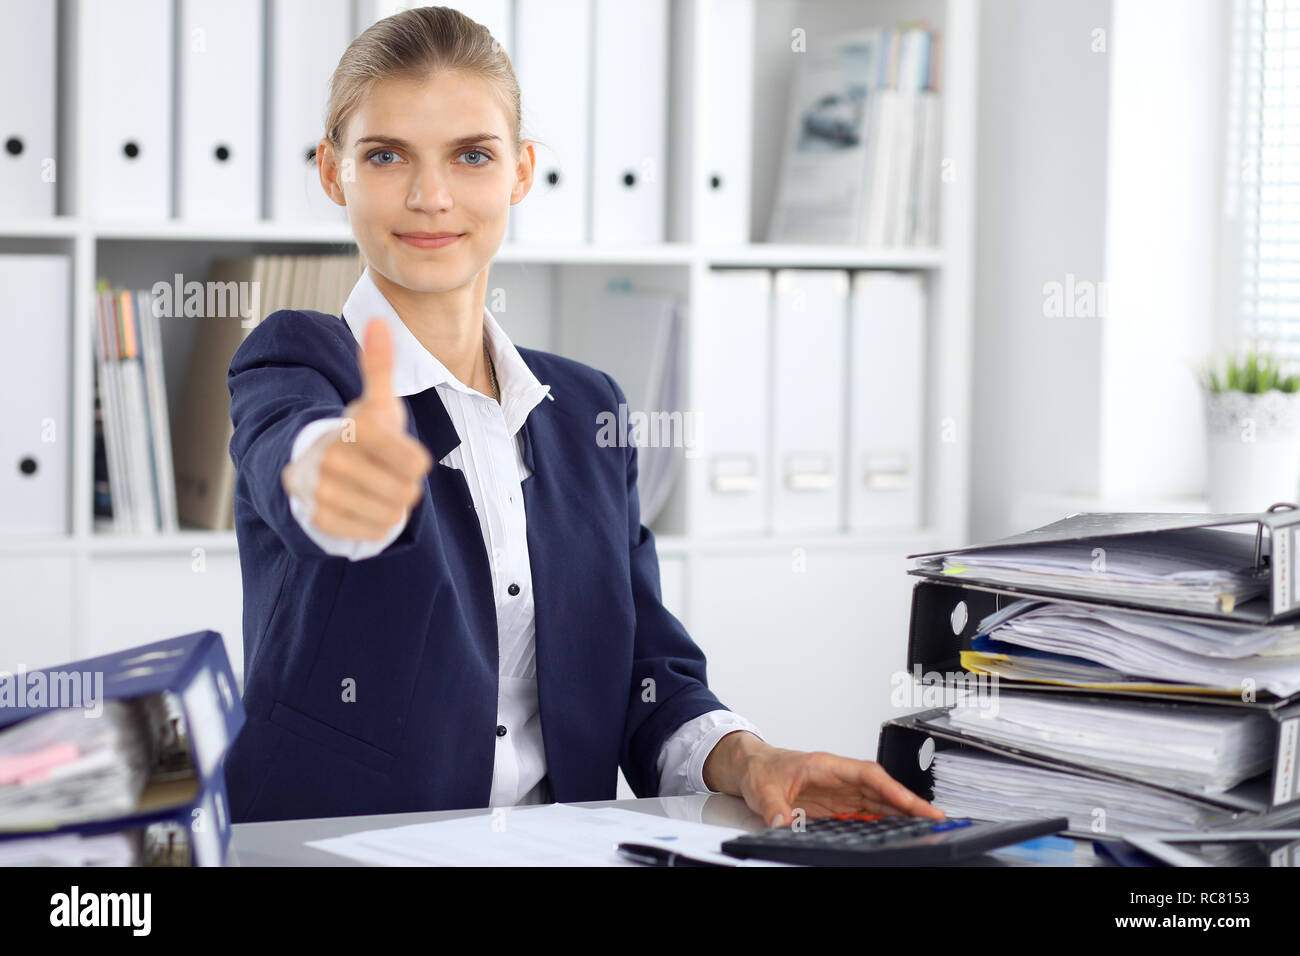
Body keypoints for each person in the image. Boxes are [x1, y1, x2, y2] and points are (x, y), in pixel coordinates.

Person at [224, 5, 943, 829]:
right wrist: (331, 475)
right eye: (386, 156)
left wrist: (750, 759)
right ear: (332, 171)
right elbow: (293, 453)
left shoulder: (587, 411)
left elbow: (641, 671)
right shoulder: (297, 359)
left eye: (472, 155)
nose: (431, 196)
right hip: (336, 852)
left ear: (521, 173)